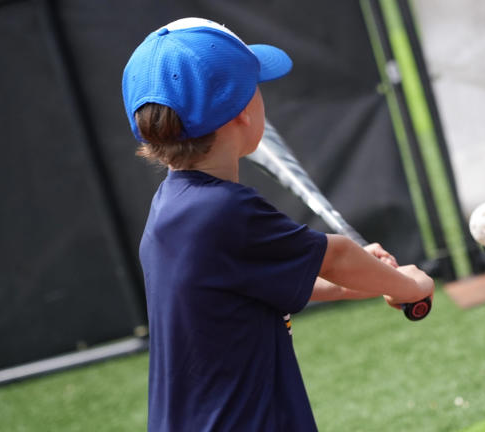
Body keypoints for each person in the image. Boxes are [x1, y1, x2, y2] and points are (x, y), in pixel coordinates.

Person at [121, 17, 434, 432]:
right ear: (243, 114)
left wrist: (370, 280)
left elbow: (281, 278)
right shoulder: (225, 210)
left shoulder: (173, 207)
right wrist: (409, 286)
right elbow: (336, 255)